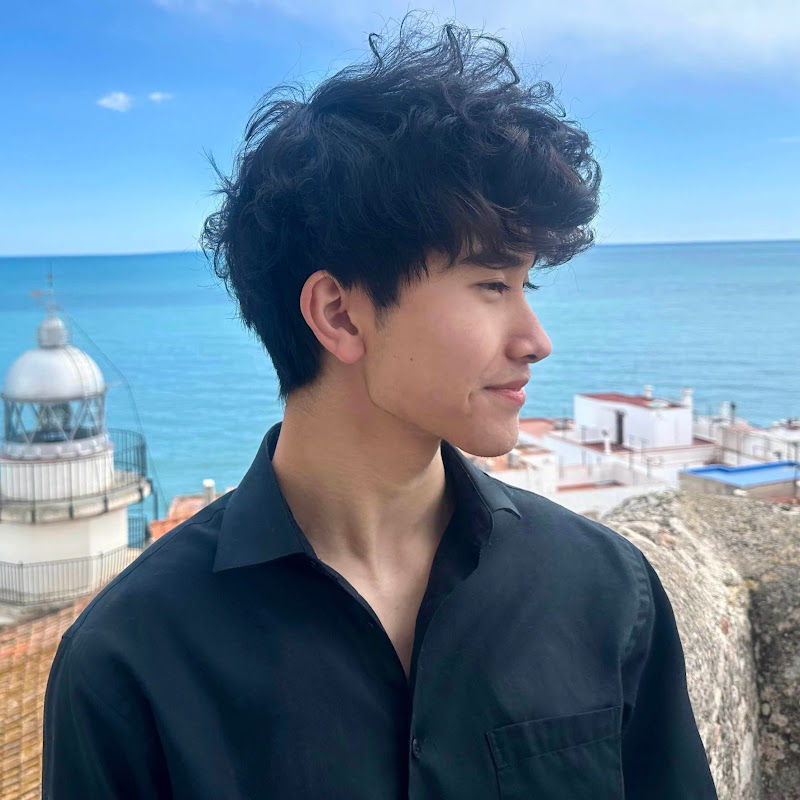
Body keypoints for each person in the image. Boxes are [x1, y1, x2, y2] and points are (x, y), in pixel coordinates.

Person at [42, 13, 719, 799]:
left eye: (525, 284)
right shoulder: (129, 663)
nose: (537, 339)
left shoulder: (605, 590)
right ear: (338, 314)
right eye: (492, 283)